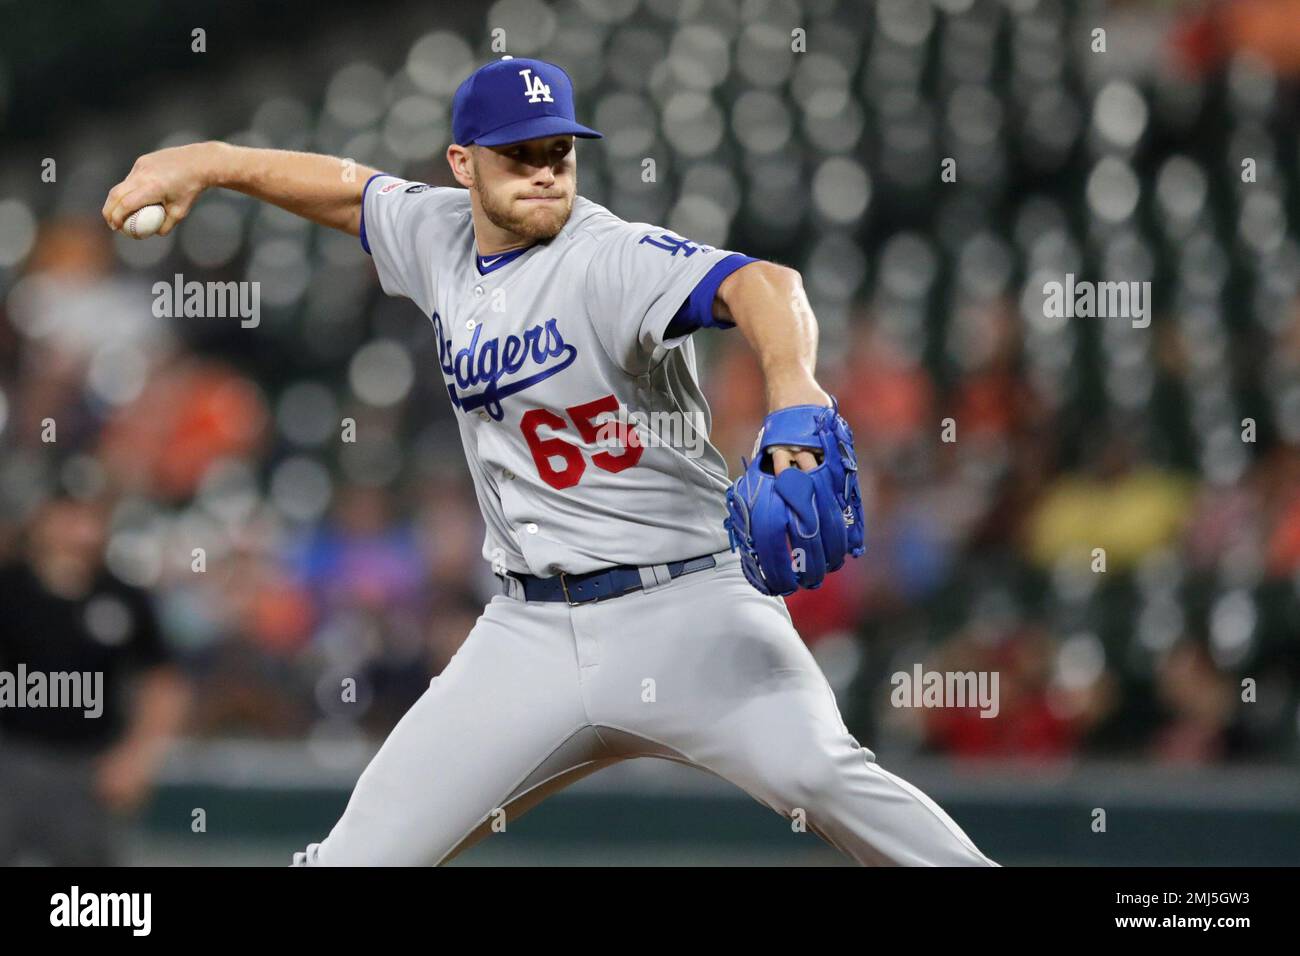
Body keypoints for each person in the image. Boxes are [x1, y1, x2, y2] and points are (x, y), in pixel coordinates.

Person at [102, 57, 998, 866]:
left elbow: (766, 285)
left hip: (689, 605)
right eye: (518, 154)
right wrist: (209, 159)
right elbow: (345, 190)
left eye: (557, 153)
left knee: (827, 779)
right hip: (527, 633)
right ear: (463, 165)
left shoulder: (609, 257)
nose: (542, 172)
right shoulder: (440, 237)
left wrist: (795, 389)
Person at [0, 494, 190, 865]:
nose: (81, 532)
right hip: (11, 759)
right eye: (68, 518)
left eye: (91, 519)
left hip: (89, 766)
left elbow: (163, 683)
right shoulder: (9, 589)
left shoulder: (122, 596)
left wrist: (137, 758)